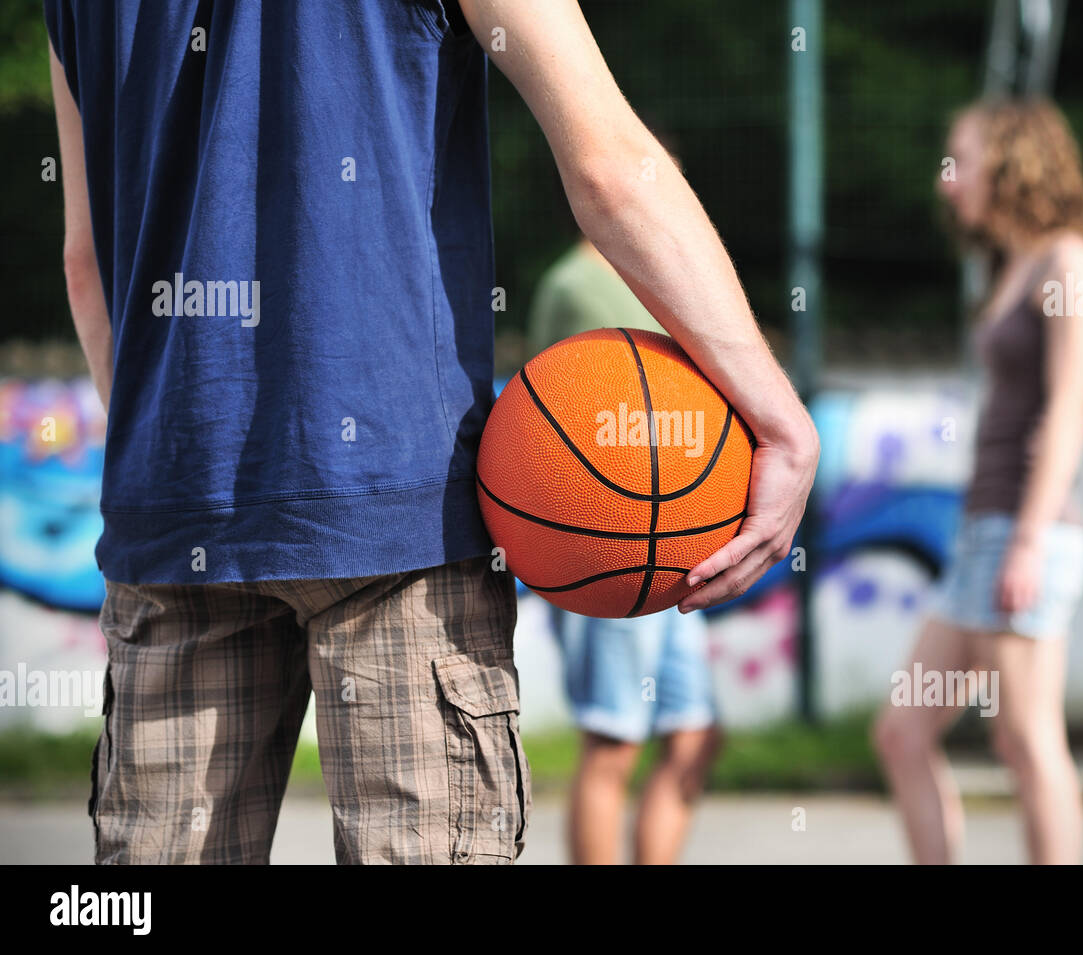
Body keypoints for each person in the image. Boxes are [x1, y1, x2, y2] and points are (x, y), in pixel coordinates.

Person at [47, 0, 817, 864]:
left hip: (173, 513)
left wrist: (175, 456)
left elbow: (88, 263)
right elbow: (608, 167)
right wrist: (780, 419)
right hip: (397, 506)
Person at [873, 98, 1083, 865]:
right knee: (903, 730)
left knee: (1026, 738)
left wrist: (1029, 542)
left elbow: (1071, 408)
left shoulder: (1070, 262)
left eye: (961, 160)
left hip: (1027, 530)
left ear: (1013, 162)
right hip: (988, 529)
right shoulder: (1013, 266)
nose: (948, 181)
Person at [528, 216, 723, 865]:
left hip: (678, 550)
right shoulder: (572, 285)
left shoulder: (667, 283)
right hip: (610, 548)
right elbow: (546, 421)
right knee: (613, 741)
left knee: (695, 735)